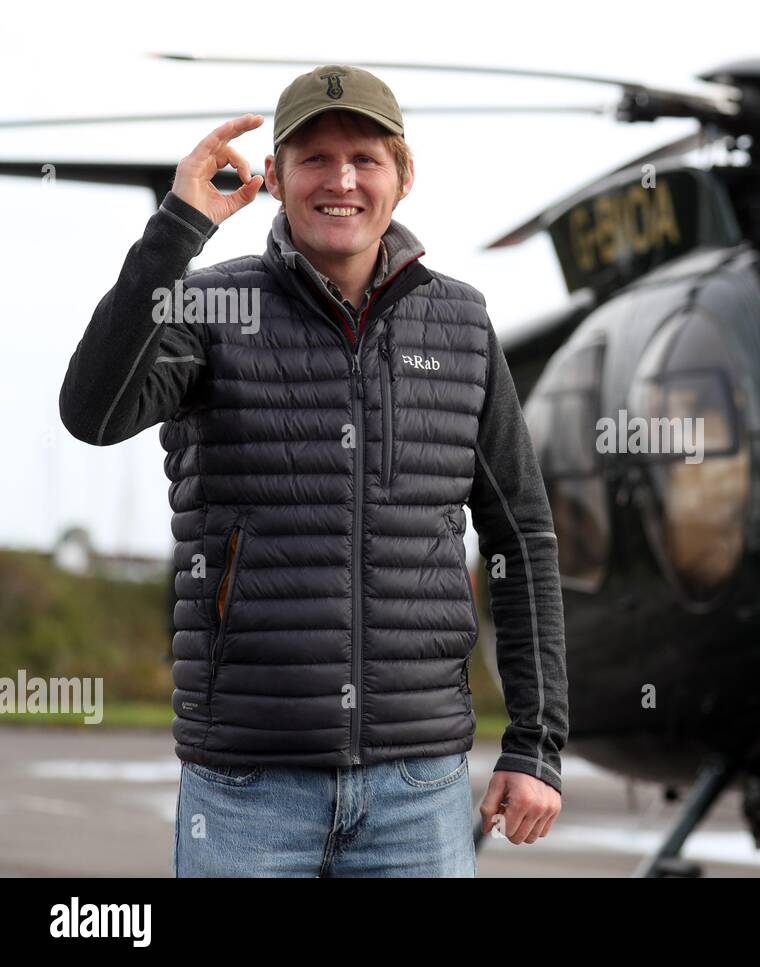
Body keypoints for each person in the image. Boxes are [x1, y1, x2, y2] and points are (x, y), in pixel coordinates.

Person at [59, 65, 567, 876]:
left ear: (403, 176)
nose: (341, 180)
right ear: (275, 179)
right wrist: (178, 227)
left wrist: (535, 746)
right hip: (244, 784)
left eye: (365, 158)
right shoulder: (212, 306)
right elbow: (91, 411)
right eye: (314, 159)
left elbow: (521, 536)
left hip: (419, 785)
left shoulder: (464, 323)